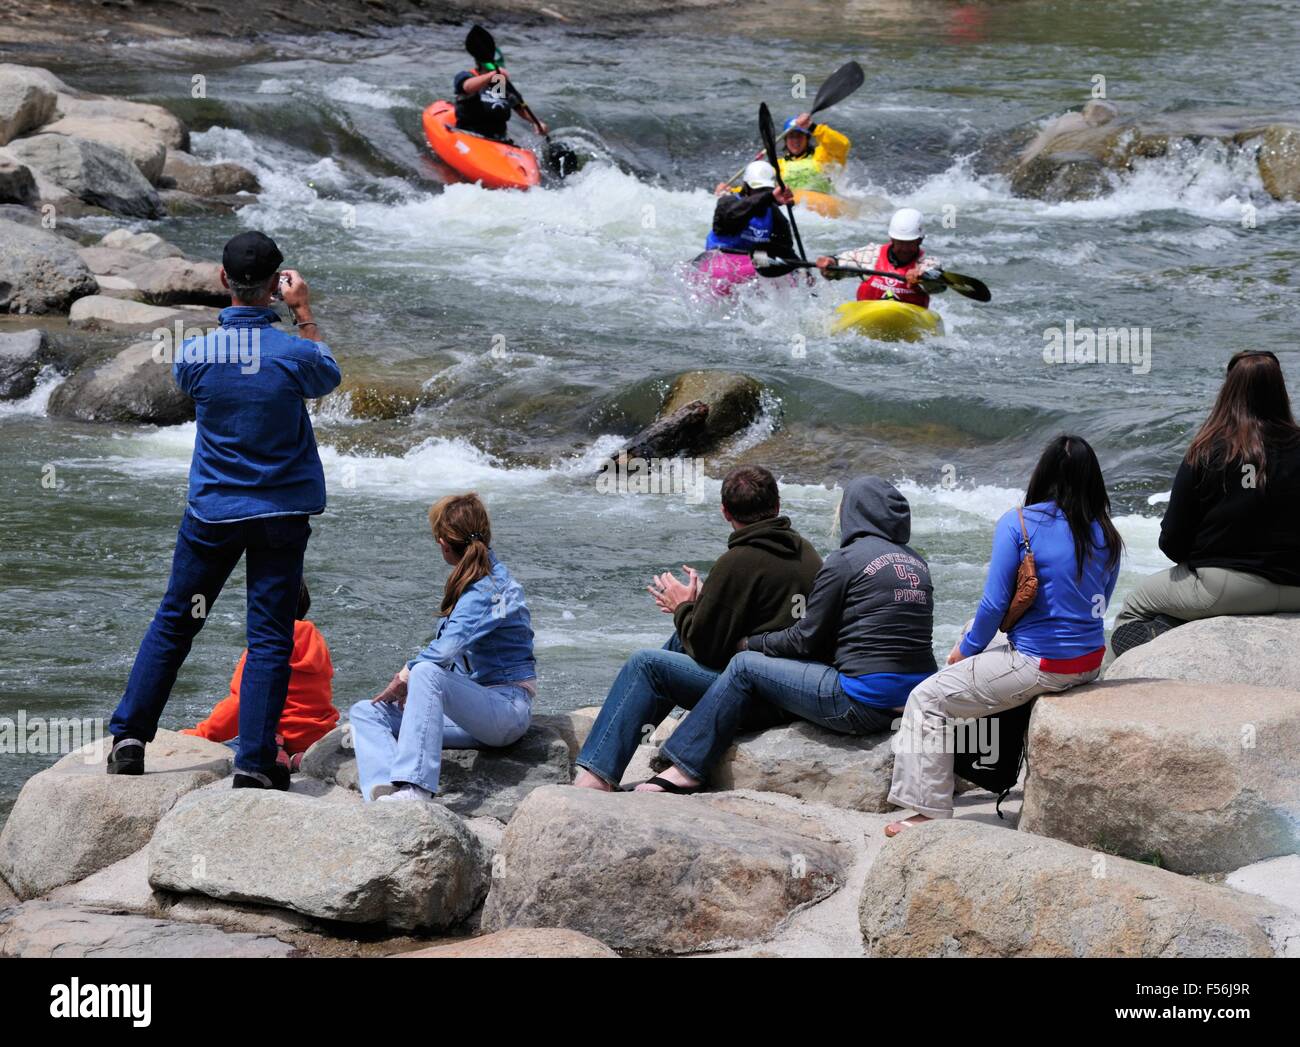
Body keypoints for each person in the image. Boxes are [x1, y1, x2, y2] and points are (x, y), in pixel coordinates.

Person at [106, 231, 341, 790]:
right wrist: (303, 311)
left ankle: (130, 739)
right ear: (277, 285)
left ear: (221, 279)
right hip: (279, 519)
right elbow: (327, 374)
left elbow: (194, 381)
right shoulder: (296, 355)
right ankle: (255, 764)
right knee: (269, 636)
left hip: (213, 515)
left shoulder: (195, 356)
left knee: (177, 621)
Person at [885, 435, 1123, 835]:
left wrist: (966, 650)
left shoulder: (1019, 522)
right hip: (1088, 661)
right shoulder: (1107, 533)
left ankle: (927, 813)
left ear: (1041, 475)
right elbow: (1095, 605)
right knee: (968, 637)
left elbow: (995, 605)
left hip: (1042, 664)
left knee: (926, 698)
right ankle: (968, 760)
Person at [639, 477, 938, 794]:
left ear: (855, 513)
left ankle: (684, 767)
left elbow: (804, 639)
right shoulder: (916, 561)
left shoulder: (845, 561)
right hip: (913, 701)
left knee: (744, 665)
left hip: (861, 706)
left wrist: (748, 643)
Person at [573, 466, 822, 791]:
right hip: (792, 688)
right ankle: (627, 750)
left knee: (645, 665)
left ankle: (596, 773)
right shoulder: (807, 553)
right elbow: (766, 619)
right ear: (777, 505)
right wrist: (703, 606)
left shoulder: (739, 561)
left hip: (757, 699)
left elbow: (708, 649)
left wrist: (684, 608)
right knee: (679, 640)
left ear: (725, 512)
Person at [1108, 350, 1300, 659]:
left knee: (1135, 605)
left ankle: (1127, 680)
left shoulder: (1208, 450)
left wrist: (1201, 563)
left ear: (1229, 391)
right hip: (1296, 589)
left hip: (1226, 589)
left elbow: (1172, 538)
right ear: (1280, 390)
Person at [350, 493, 537, 804]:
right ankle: (385, 792)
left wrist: (405, 677)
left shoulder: (492, 588)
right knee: (366, 712)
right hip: (471, 713)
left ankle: (415, 788)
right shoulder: (475, 578)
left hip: (504, 713)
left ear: (443, 543)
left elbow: (445, 650)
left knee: (424, 670)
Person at [182, 581, 337, 771]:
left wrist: (200, 734)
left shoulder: (264, 648)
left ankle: (275, 749)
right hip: (316, 735)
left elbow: (240, 704)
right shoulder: (317, 643)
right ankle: (299, 757)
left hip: (282, 734)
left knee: (236, 744)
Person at [815, 207, 940, 308]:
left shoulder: (928, 263)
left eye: (910, 243)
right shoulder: (870, 254)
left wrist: (922, 277)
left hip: (910, 320)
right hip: (869, 316)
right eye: (900, 243)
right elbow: (838, 266)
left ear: (920, 240)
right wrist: (830, 264)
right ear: (892, 239)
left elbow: (937, 285)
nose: (904, 249)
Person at [453, 28, 548, 142]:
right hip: (469, 134)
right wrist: (492, 75)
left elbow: (520, 108)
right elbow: (467, 87)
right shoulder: (467, 76)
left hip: (498, 140)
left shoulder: (499, 84)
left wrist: (536, 123)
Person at [777, 112, 851, 194]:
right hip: (795, 205)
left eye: (799, 135)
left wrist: (812, 127)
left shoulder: (823, 156)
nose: (795, 140)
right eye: (791, 136)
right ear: (786, 140)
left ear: (807, 139)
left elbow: (842, 145)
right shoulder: (778, 165)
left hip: (823, 204)